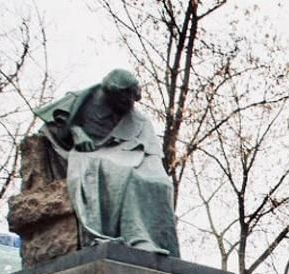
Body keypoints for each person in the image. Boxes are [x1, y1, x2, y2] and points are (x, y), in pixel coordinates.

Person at [35, 69, 180, 257]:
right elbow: (53, 124)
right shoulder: (81, 101)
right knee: (126, 175)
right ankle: (136, 237)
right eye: (124, 99)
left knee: (161, 183)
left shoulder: (139, 119)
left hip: (128, 154)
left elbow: (152, 152)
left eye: (132, 100)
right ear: (110, 94)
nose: (129, 104)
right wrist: (76, 131)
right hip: (88, 154)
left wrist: (154, 170)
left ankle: (154, 240)